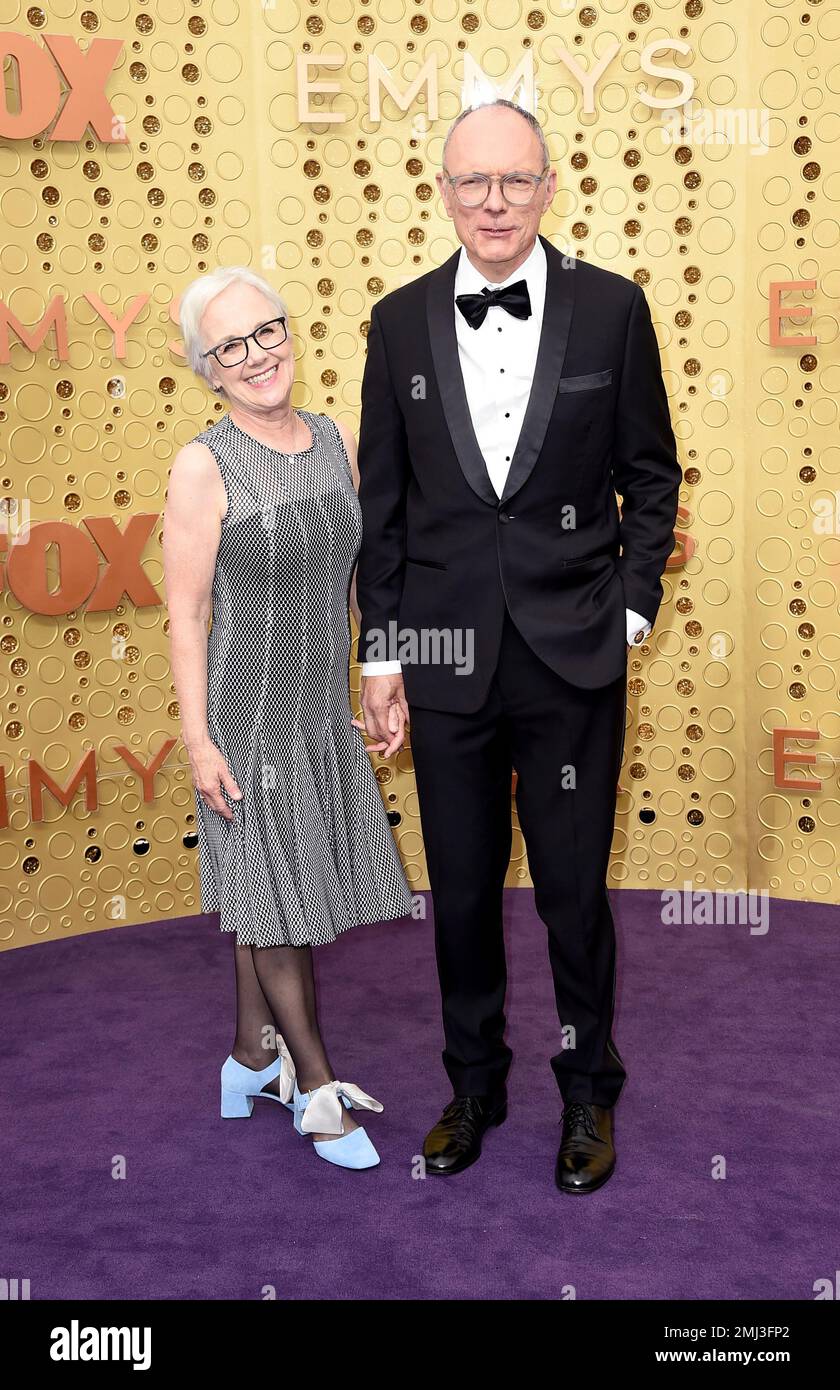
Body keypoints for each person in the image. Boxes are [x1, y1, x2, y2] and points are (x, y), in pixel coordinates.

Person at [356, 100, 681, 1191]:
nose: (493, 203)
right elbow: (383, 510)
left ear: (549, 186)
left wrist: (629, 608)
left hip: (574, 655)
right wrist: (382, 653)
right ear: (442, 192)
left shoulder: (612, 310)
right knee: (459, 887)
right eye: (472, 183)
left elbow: (653, 475)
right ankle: (474, 1084)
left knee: (574, 892)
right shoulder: (397, 322)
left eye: (514, 181)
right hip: (445, 658)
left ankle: (588, 1092)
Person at [163, 267, 414, 1171]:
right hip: (248, 716)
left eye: (266, 331)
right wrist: (199, 741)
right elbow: (186, 615)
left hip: (318, 708)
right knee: (278, 908)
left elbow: (359, 577)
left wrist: (374, 683)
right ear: (209, 370)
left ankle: (246, 1059)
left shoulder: (334, 439)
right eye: (231, 347)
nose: (257, 355)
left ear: (289, 333)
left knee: (268, 891)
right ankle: (313, 1090)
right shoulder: (203, 465)